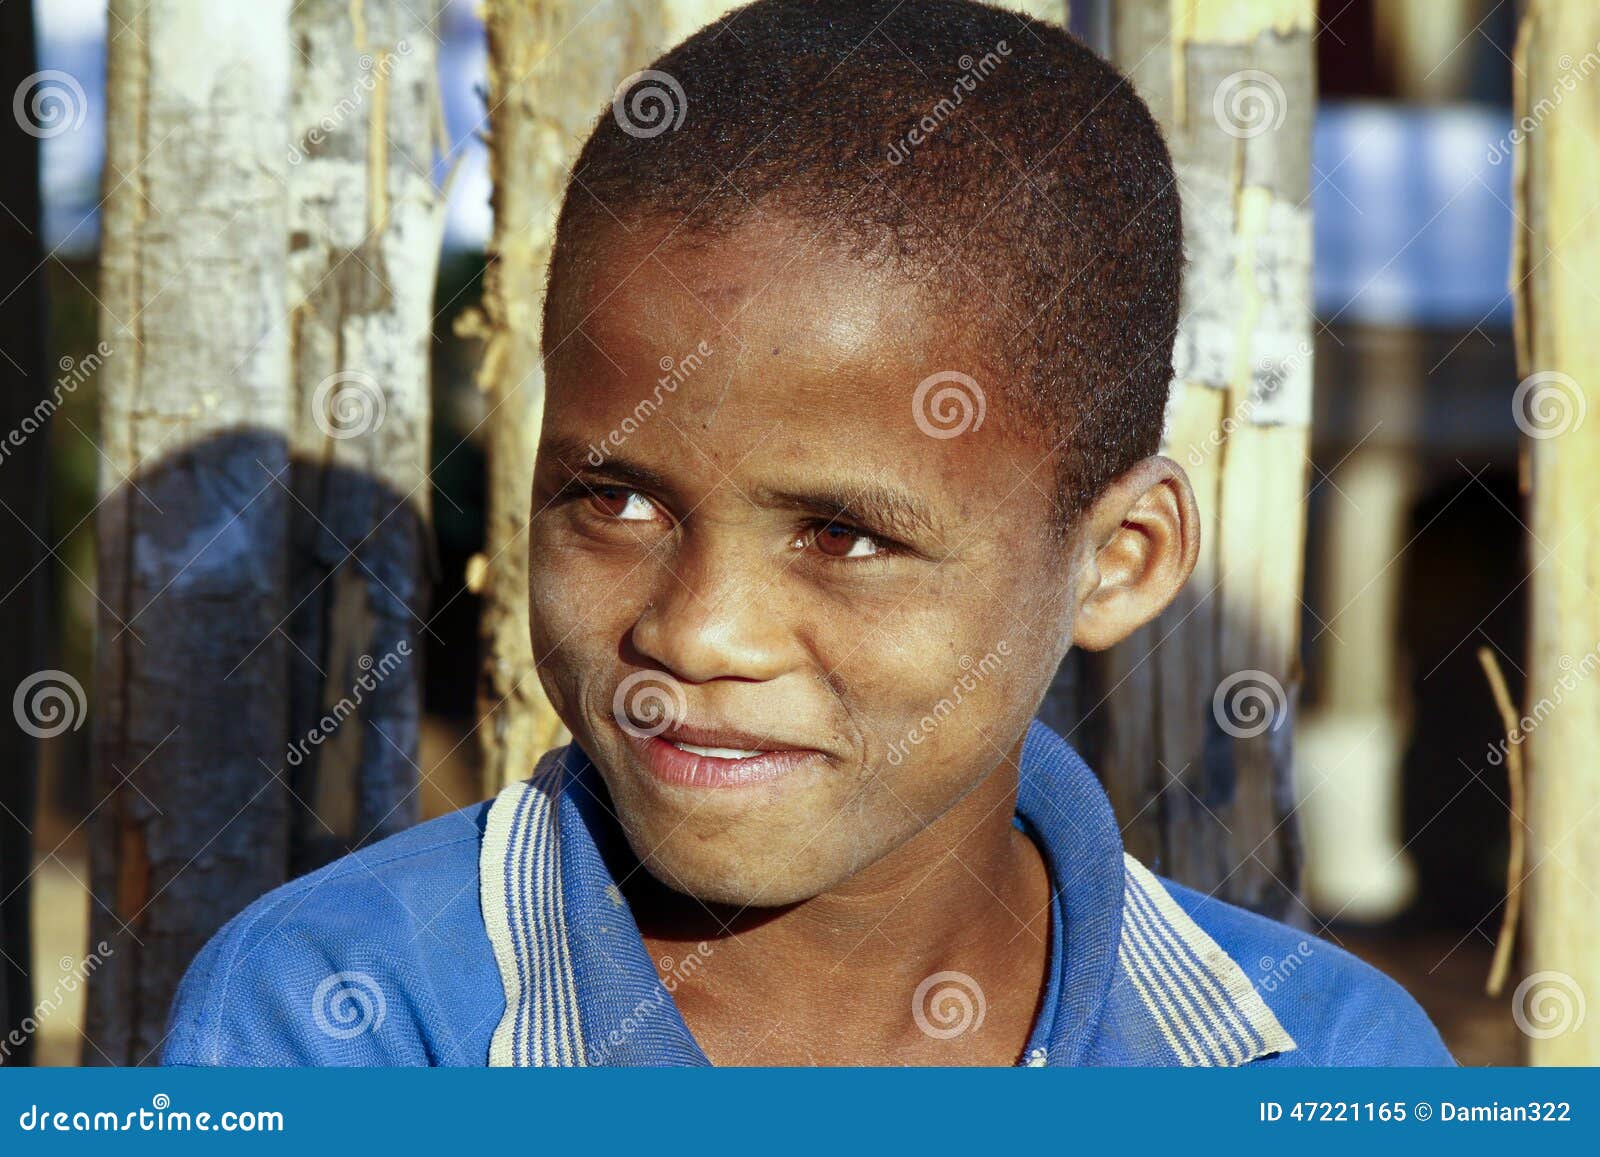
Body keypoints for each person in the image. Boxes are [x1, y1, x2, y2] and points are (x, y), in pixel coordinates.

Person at [163, 0, 1452, 1067]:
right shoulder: (347, 1023)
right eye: (615, 501)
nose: (699, 630)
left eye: (843, 535)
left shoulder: (1314, 1062)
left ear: (1121, 558)